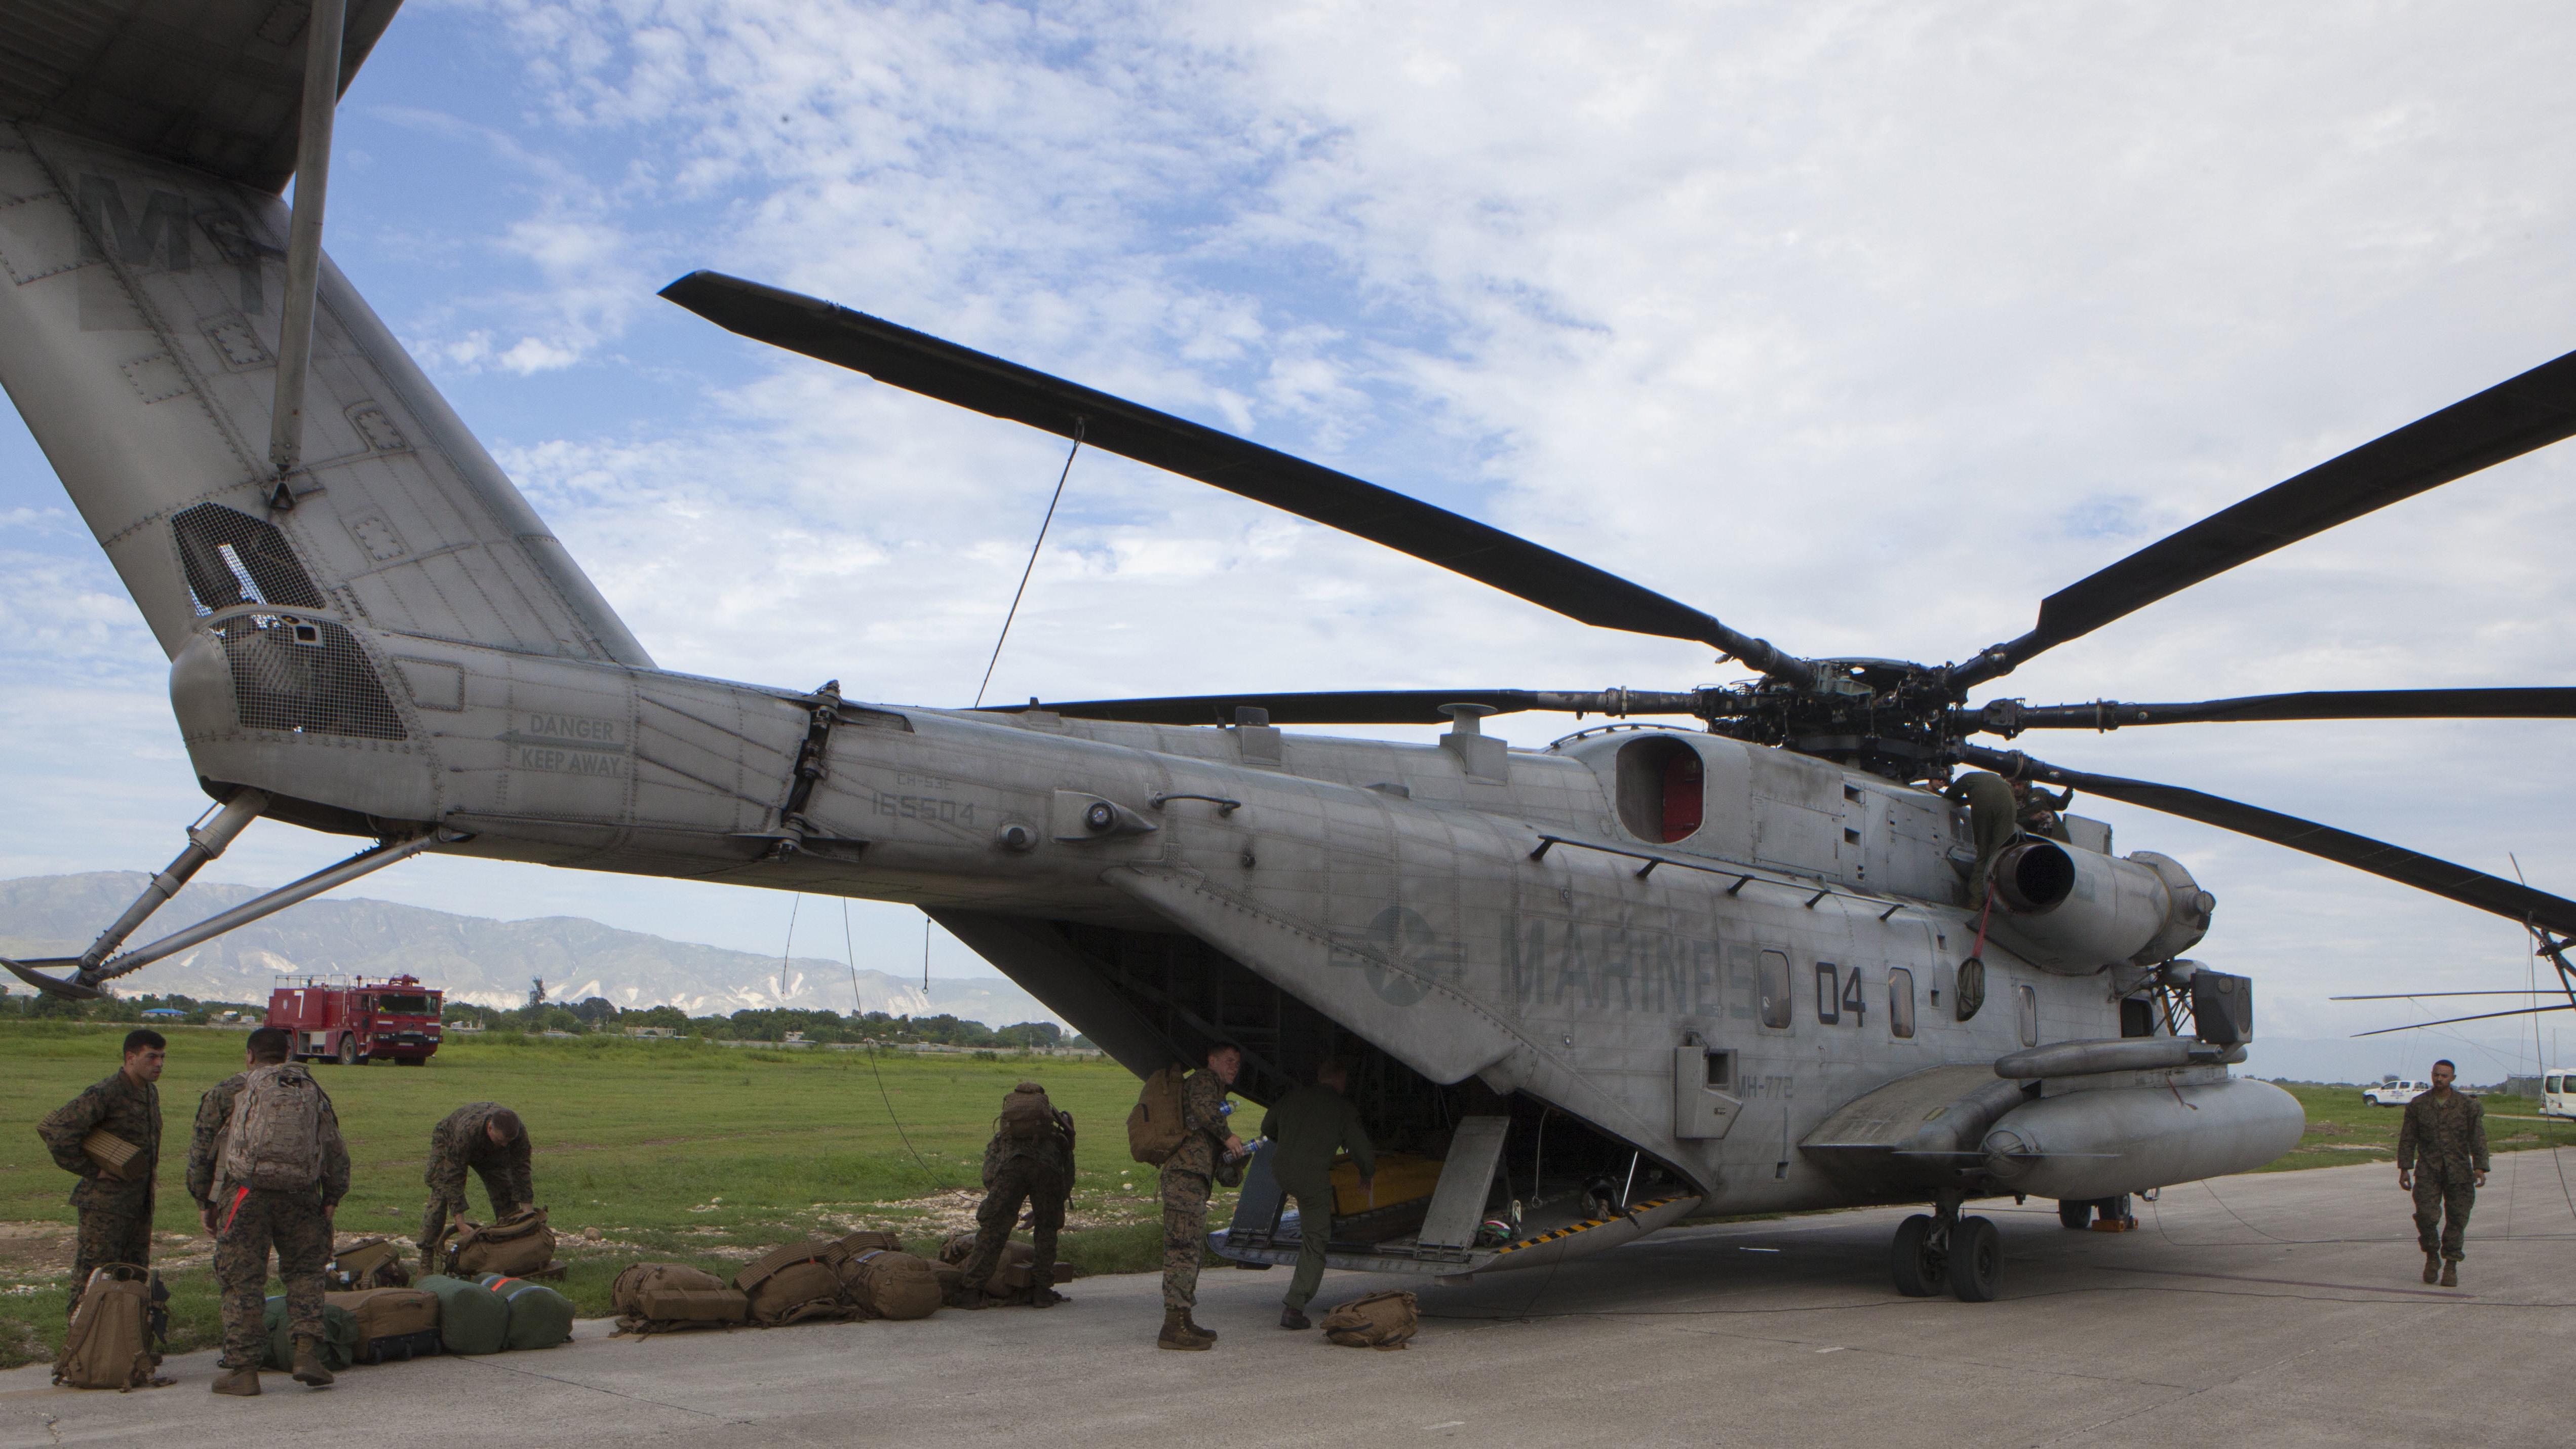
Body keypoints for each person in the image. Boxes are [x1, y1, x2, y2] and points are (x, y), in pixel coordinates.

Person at [188, 1026, 350, 1396]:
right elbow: (334, 1146)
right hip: (302, 1194)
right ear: (289, 1053)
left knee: (242, 1281)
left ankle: (243, 1370)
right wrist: (332, 1196)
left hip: (245, 1196)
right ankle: (307, 1352)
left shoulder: (227, 1091)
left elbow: (201, 1150)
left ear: (249, 1056)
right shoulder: (309, 1089)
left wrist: (205, 1201)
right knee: (306, 1273)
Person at [37, 1029, 165, 1322]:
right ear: (130, 1058)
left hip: (138, 1205)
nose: (159, 1064)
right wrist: (92, 1170)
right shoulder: (106, 1092)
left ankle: (123, 1349)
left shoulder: (148, 1091)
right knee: (94, 1280)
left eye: (162, 1058)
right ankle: (79, 1353)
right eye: (151, 1057)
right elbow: (60, 1132)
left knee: (132, 1281)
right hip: (104, 1207)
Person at [1261, 1057, 1375, 1331]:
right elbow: (1362, 1150)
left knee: (1305, 1201)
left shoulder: (1293, 1097)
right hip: (1311, 1178)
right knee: (1315, 1239)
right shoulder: (1342, 1107)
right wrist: (1367, 1172)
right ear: (1341, 1079)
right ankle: (1294, 1306)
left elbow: (1267, 1128)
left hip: (1280, 1171)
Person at [954, 1081, 1075, 1308]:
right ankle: (1041, 1292)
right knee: (1047, 1231)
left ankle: (971, 1291)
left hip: (1010, 1171)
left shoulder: (1003, 1139)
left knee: (993, 1231)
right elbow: (1068, 1176)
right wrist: (1052, 1205)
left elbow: (989, 1176)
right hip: (1048, 1173)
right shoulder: (1058, 1137)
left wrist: (1002, 1200)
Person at [1157, 1041, 1244, 1351]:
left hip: (1193, 1179)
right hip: (1184, 1179)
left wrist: (1235, 1157)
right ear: (1212, 1060)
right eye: (1229, 1060)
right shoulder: (1205, 1080)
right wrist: (1228, 1136)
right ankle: (1172, 1327)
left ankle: (1183, 1319)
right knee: (1182, 1249)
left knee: (1191, 1250)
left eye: (1237, 1062)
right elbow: (1206, 1112)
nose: (1234, 1066)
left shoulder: (1216, 1092)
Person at [2397, 1059, 2488, 1287]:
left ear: (2453, 1078)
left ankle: (2451, 1265)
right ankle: (2432, 1256)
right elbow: (2408, 1138)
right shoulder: (2418, 1105)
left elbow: (2478, 1137)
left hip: (2459, 1172)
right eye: (2436, 1075)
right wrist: (2404, 1168)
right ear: (2432, 1075)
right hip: (2428, 1170)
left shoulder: (2468, 1106)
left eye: (2445, 1076)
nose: (2440, 1079)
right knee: (2426, 1216)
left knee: (2457, 1219)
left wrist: (2480, 1167)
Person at [419, 1102, 532, 1267]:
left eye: (509, 1142)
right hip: (449, 1140)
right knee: (442, 1193)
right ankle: (426, 1258)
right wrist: (461, 1223)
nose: (506, 1145)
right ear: (490, 1129)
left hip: (489, 1152)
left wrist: (528, 1217)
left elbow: (522, 1171)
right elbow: (454, 1177)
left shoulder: (516, 1133)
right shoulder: (466, 1132)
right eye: (502, 1141)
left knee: (505, 1193)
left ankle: (509, 1251)